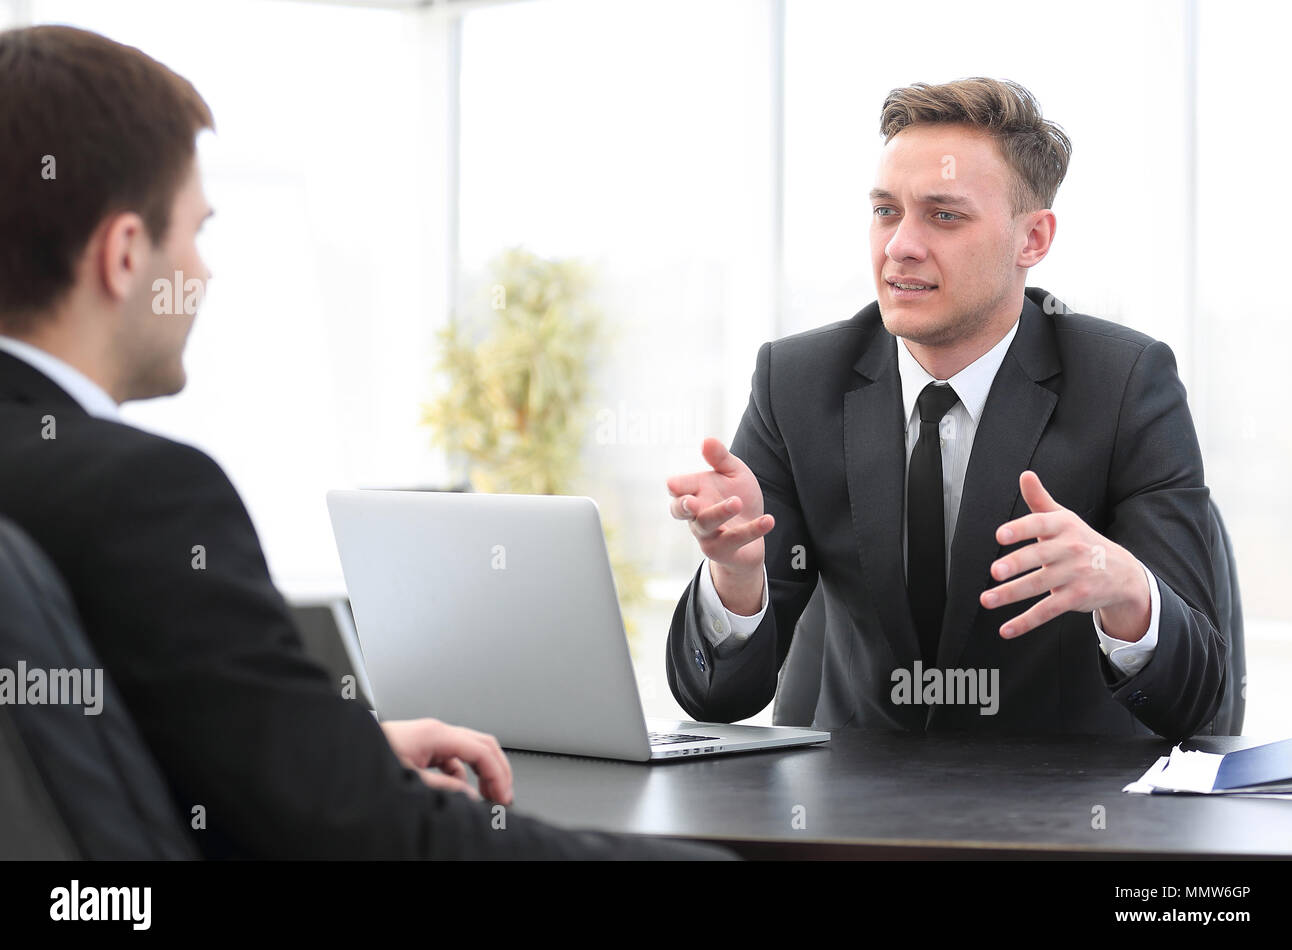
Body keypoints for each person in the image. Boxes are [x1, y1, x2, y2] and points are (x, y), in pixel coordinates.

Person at [0, 24, 730, 860]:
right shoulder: (141, 494)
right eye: (195, 234)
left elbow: (99, 754)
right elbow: (373, 838)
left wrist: (336, 750)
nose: (204, 274)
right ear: (125, 255)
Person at [666, 78, 1224, 741]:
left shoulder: (1126, 384)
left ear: (1033, 239)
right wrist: (734, 574)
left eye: (945, 215)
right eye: (885, 210)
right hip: (851, 820)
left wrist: (1130, 592)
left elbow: (1197, 700)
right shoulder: (797, 383)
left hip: (1061, 821)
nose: (901, 245)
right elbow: (718, 697)